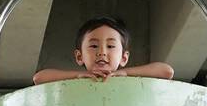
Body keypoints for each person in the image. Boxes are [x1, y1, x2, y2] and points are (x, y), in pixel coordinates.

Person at [32, 16, 174, 85]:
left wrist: (124, 73)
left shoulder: (126, 78)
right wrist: (79, 75)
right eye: (93, 46)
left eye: (111, 46)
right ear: (79, 56)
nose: (102, 52)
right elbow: (39, 78)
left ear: (124, 58)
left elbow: (166, 71)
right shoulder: (79, 79)